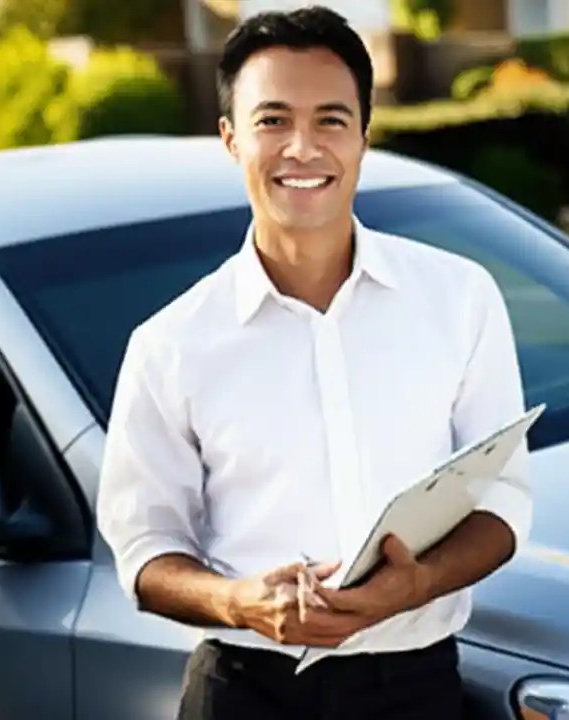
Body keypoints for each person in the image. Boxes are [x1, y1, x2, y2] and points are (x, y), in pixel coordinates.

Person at [94, 6, 532, 719]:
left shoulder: (460, 298)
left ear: (364, 136)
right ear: (231, 138)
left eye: (331, 120)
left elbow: (502, 500)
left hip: (414, 692)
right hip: (244, 693)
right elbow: (144, 553)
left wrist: (416, 585)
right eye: (272, 121)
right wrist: (238, 601)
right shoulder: (170, 344)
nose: (302, 148)